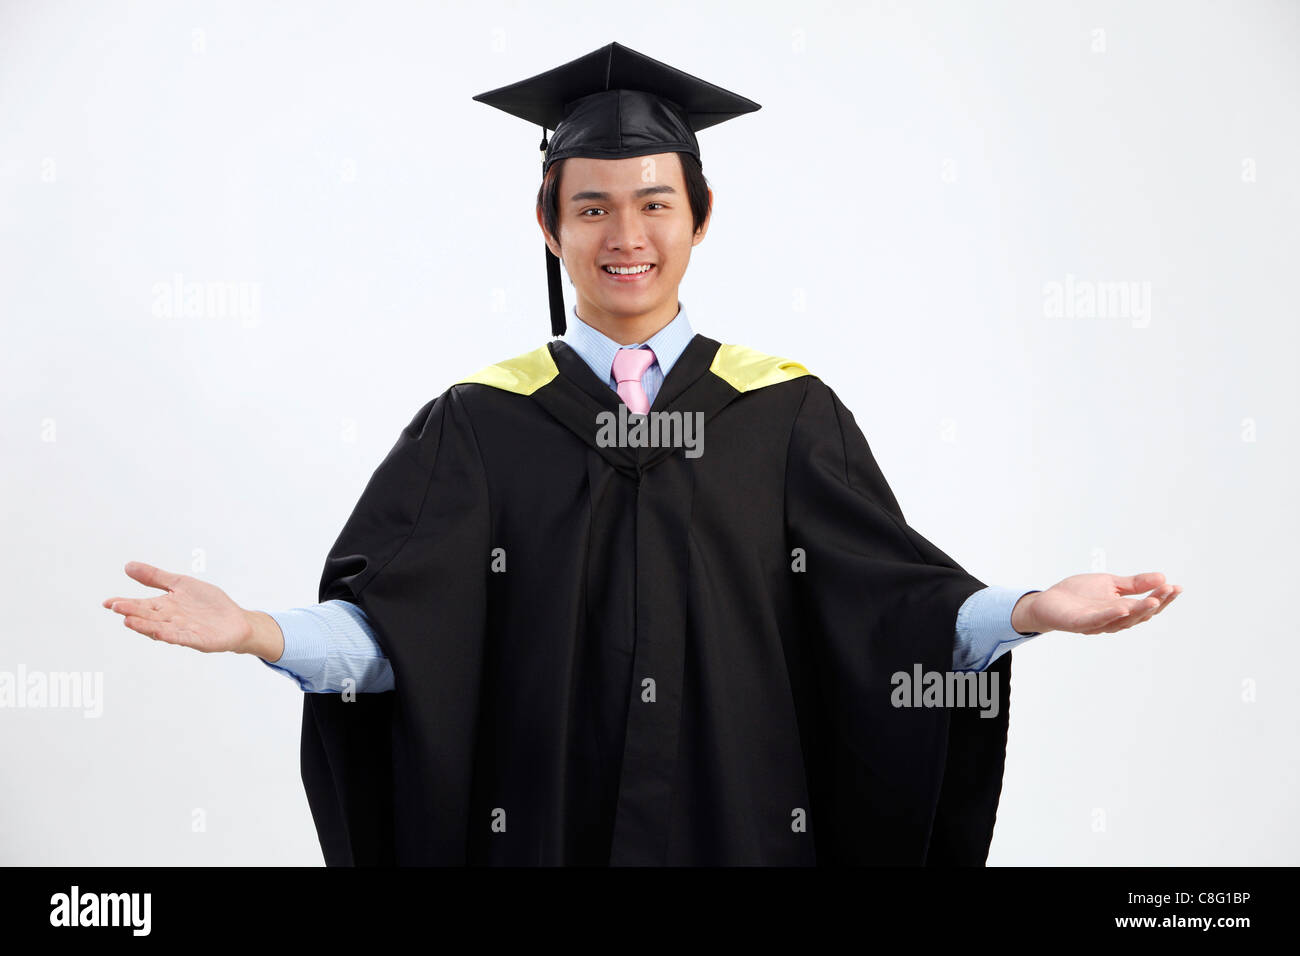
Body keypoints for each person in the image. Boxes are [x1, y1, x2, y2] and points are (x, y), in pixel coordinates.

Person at [102, 42, 1182, 865]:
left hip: (748, 832)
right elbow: (398, 637)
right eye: (593, 207)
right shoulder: (478, 422)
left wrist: (1030, 608)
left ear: (699, 216)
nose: (627, 233)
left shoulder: (784, 411)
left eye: (654, 202)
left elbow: (888, 607)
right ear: (550, 225)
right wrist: (255, 630)